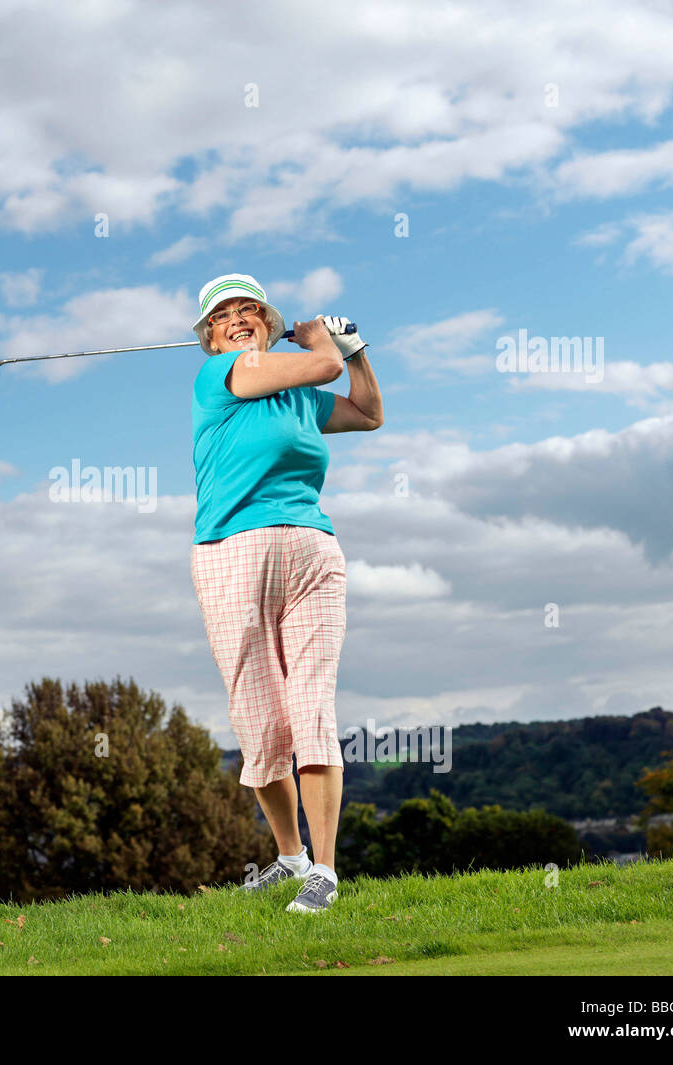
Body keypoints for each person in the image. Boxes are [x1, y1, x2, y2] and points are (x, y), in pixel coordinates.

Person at [189, 273, 383, 913]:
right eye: (224, 315)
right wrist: (328, 346)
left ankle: (322, 872)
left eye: (250, 309)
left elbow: (368, 413)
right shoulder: (220, 378)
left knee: (312, 709)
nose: (238, 318)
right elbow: (322, 364)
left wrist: (356, 355)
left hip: (311, 552)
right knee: (259, 717)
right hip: (230, 553)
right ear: (210, 337)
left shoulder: (299, 395)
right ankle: (289, 856)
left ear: (269, 323)